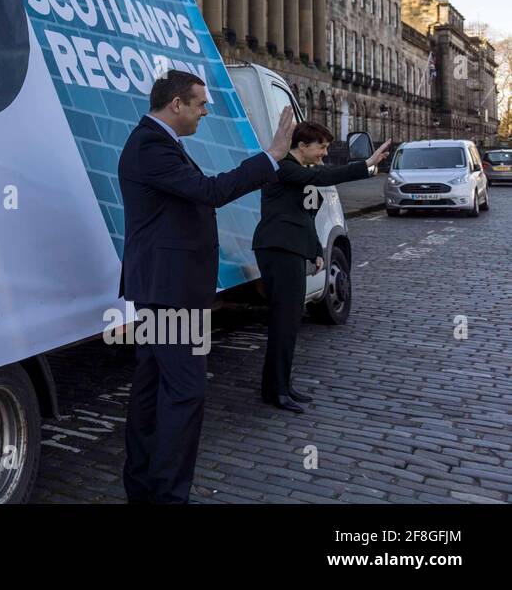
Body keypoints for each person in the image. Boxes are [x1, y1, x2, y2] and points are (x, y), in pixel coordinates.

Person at [118, 69, 294, 504]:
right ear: (176, 104)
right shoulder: (150, 145)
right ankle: (168, 496)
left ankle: (145, 489)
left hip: (167, 291)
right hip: (170, 294)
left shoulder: (160, 143)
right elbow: (210, 192)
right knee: (183, 393)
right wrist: (271, 155)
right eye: (200, 104)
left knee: (152, 390)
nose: (205, 112)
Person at [252, 122, 391, 412]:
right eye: (322, 147)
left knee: (289, 323)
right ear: (302, 146)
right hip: (277, 250)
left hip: (291, 249)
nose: (324, 153)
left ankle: (280, 385)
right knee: (284, 322)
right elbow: (324, 175)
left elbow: (304, 215)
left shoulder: (300, 173)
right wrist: (365, 164)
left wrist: (315, 251)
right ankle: (275, 390)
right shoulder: (284, 167)